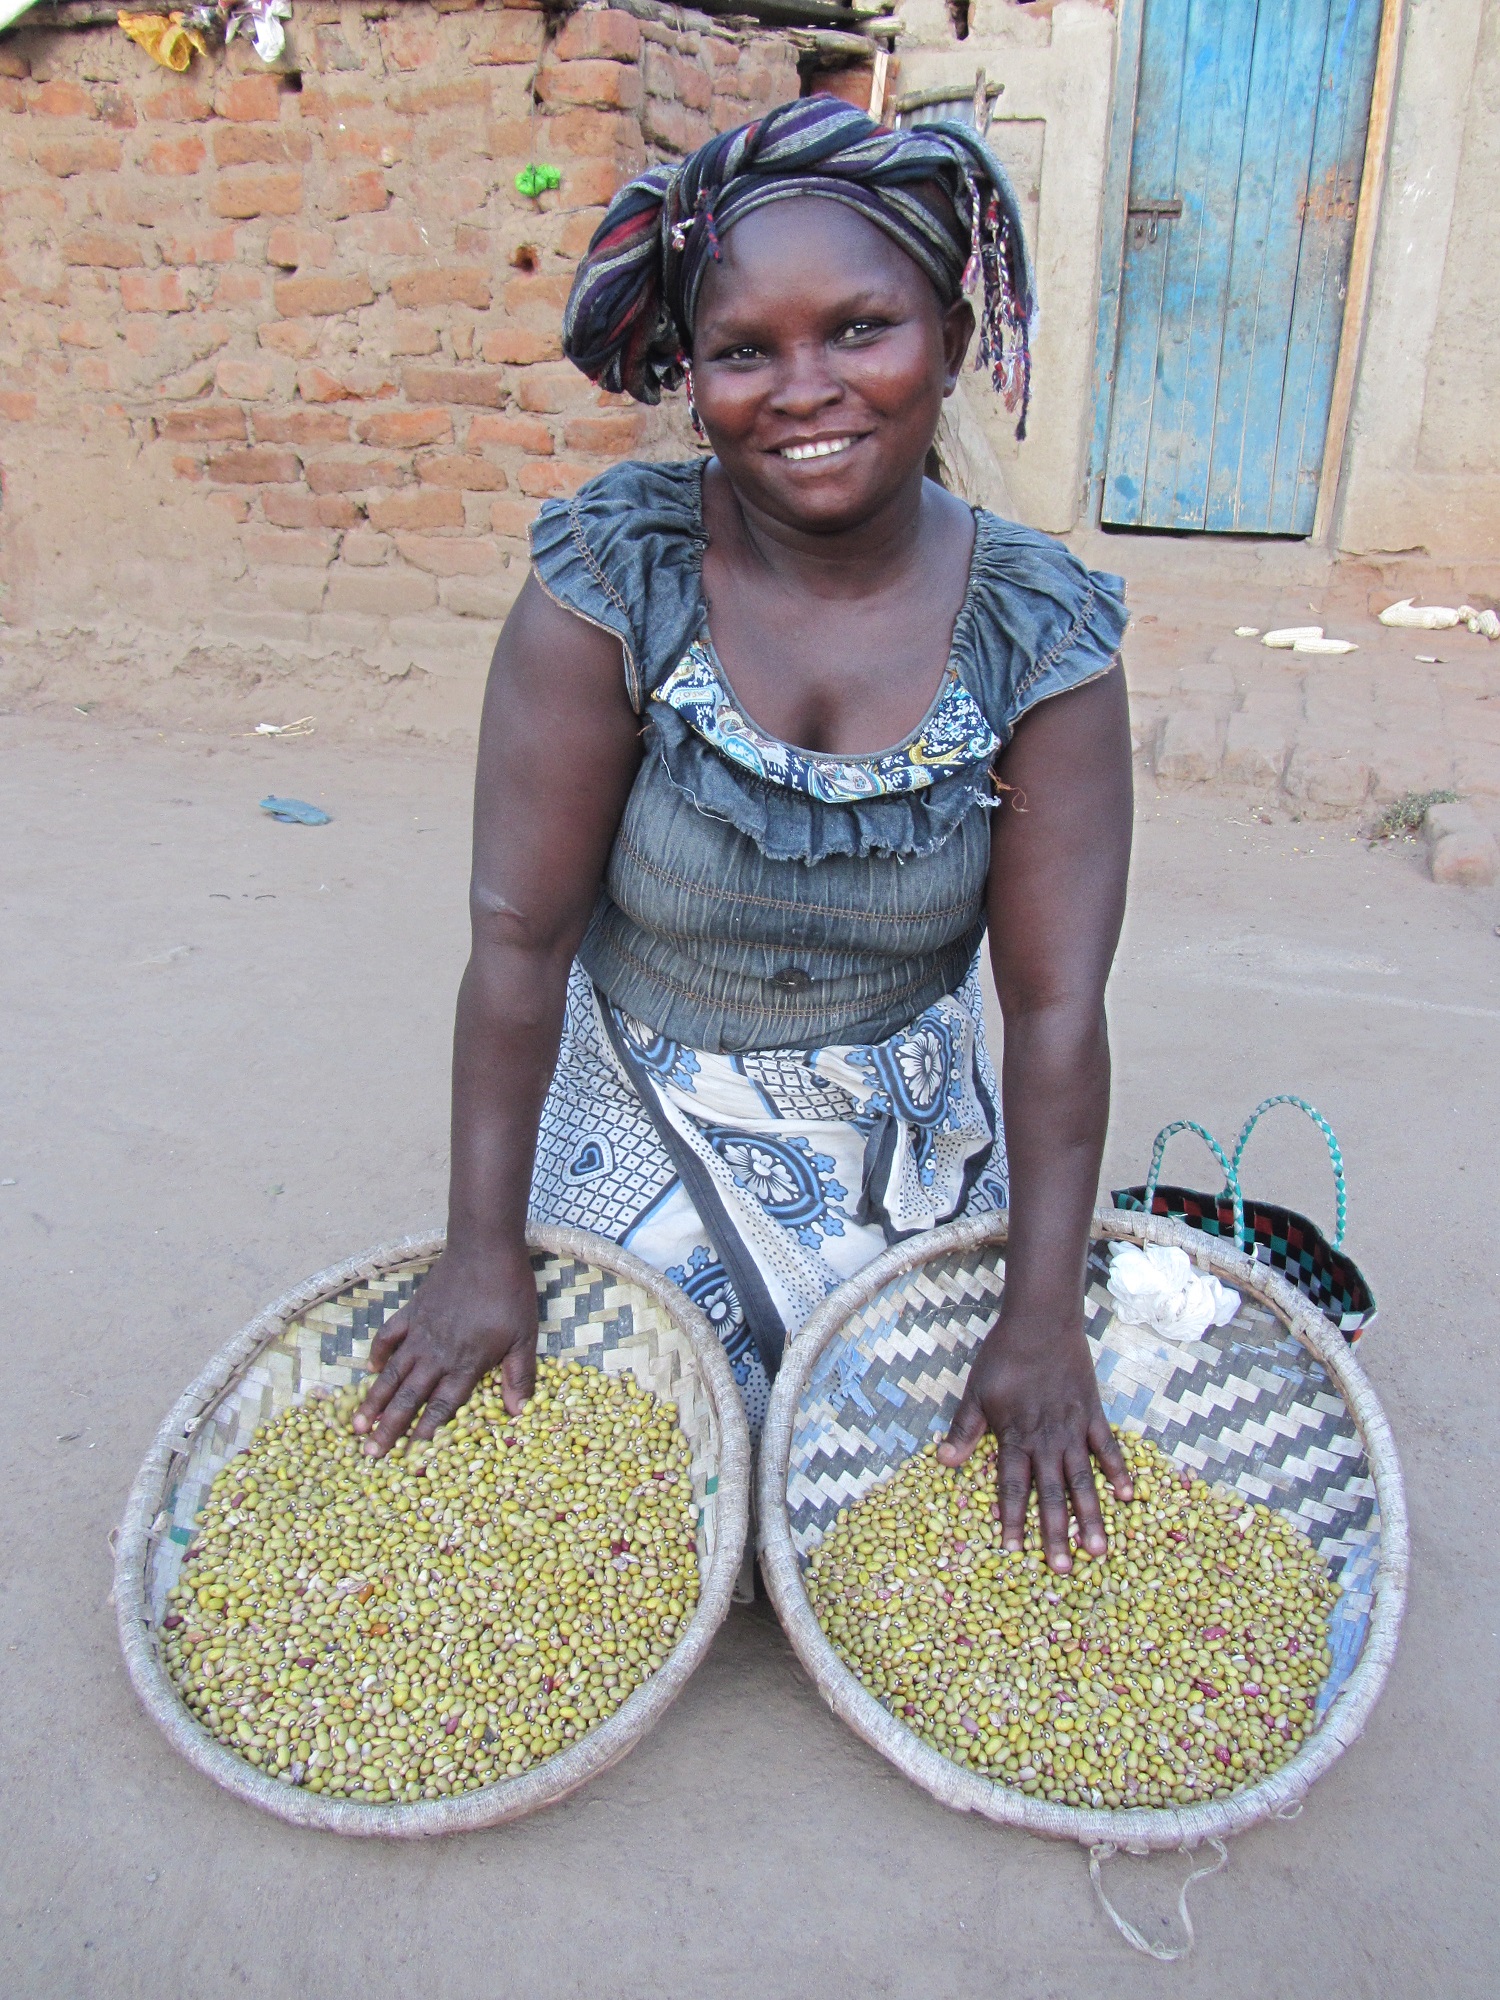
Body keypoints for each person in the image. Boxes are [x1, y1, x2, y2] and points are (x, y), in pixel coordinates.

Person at [354, 98, 1135, 1574]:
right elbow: (516, 949)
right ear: (690, 375)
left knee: (923, 1524)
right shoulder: (616, 580)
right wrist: (479, 1251)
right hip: (634, 1105)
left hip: (899, 1139)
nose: (805, 388)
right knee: (573, 1514)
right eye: (743, 351)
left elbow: (1054, 1008)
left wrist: (1043, 1317)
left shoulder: (1038, 630)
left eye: (861, 329)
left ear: (951, 345)